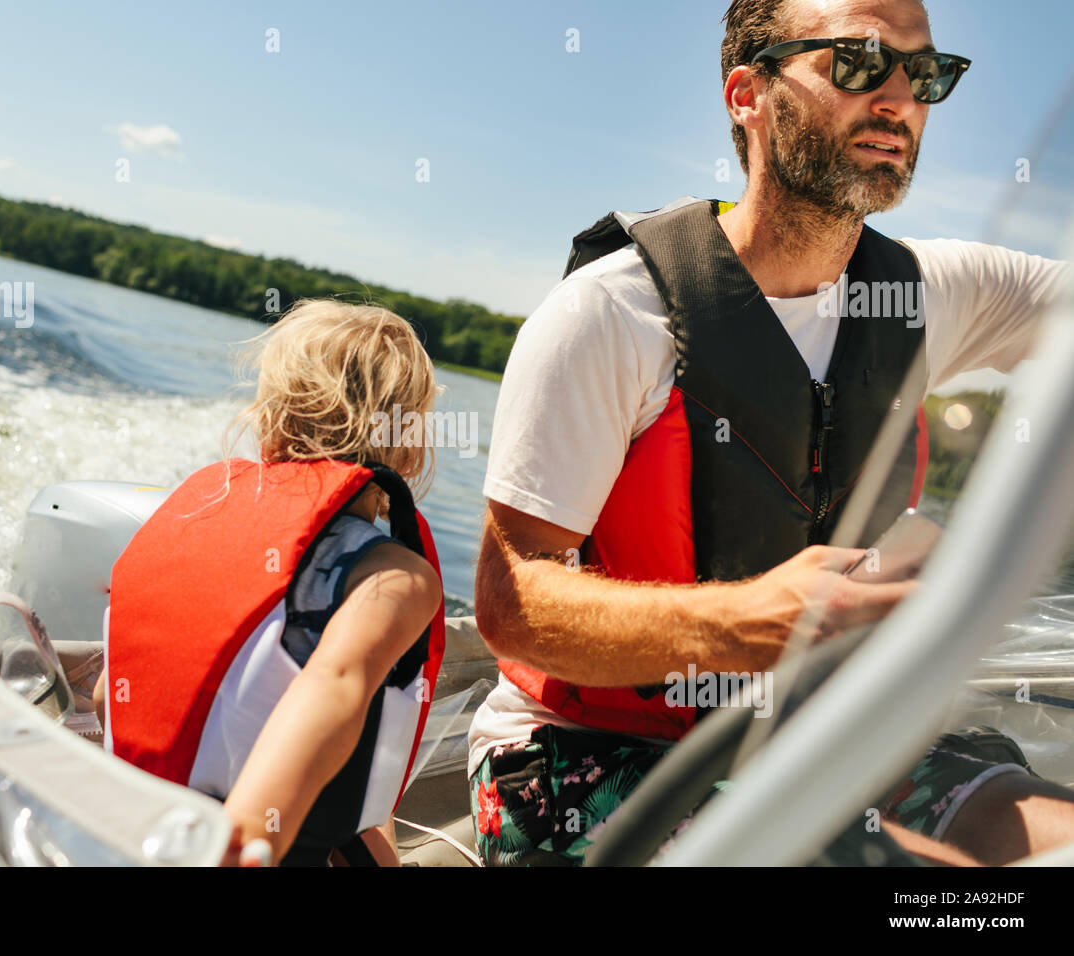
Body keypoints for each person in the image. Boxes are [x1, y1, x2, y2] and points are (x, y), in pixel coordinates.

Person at [470, 0, 1074, 867]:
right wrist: (748, 619)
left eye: (928, 73)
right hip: (578, 756)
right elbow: (509, 604)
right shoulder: (611, 314)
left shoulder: (934, 294)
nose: (902, 98)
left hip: (807, 738)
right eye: (862, 64)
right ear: (747, 93)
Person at [97, 299, 446, 866]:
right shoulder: (395, 576)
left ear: (270, 423)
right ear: (408, 449)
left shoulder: (199, 519)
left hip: (133, 827)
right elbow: (331, 690)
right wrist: (245, 838)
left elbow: (108, 696)